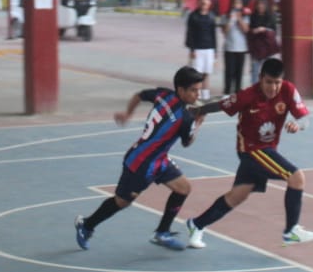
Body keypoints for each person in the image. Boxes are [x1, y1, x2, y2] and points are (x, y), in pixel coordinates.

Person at [74, 66, 221, 252]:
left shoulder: (163, 94)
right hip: (141, 163)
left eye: (198, 90)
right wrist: (198, 124)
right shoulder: (185, 118)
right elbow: (187, 143)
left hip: (157, 159)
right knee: (122, 202)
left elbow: (140, 95)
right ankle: (86, 225)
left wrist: (128, 113)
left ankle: (162, 232)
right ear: (181, 90)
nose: (196, 94)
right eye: (193, 90)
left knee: (183, 188)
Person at [185, 57, 313, 248]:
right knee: (296, 177)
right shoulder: (247, 95)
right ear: (260, 78)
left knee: (237, 195)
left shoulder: (288, 90)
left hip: (266, 150)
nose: (273, 87)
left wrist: (297, 124)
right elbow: (221, 104)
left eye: (277, 82)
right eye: (268, 82)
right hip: (251, 150)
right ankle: (291, 231)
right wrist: (197, 111)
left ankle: (197, 224)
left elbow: (305, 118)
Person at [184, 0, 218, 101]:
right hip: (197, 49)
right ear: (198, 2)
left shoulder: (211, 16)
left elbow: (214, 35)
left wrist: (215, 50)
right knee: (196, 76)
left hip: (209, 49)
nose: (204, 2)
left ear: (209, 2)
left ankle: (206, 96)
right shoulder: (193, 16)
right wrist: (192, 49)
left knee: (206, 74)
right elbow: (190, 34)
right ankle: (195, 96)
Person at [247, 0, 280, 83]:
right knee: (255, 71)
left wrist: (264, 29)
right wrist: (254, 31)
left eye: (262, 4)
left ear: (266, 5)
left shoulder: (271, 16)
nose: (260, 6)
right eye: (258, 4)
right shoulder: (253, 17)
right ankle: (254, 90)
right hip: (257, 49)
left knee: (269, 71)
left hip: (269, 48)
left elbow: (274, 32)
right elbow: (250, 31)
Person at [221, 0, 249, 95]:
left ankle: (238, 94)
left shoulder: (245, 17)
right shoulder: (225, 16)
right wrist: (231, 20)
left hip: (241, 49)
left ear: (242, 5)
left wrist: (240, 19)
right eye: (235, 3)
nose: (237, 5)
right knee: (229, 73)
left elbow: (246, 30)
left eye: (239, 3)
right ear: (232, 5)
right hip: (229, 48)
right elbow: (224, 31)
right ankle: (227, 93)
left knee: (239, 73)